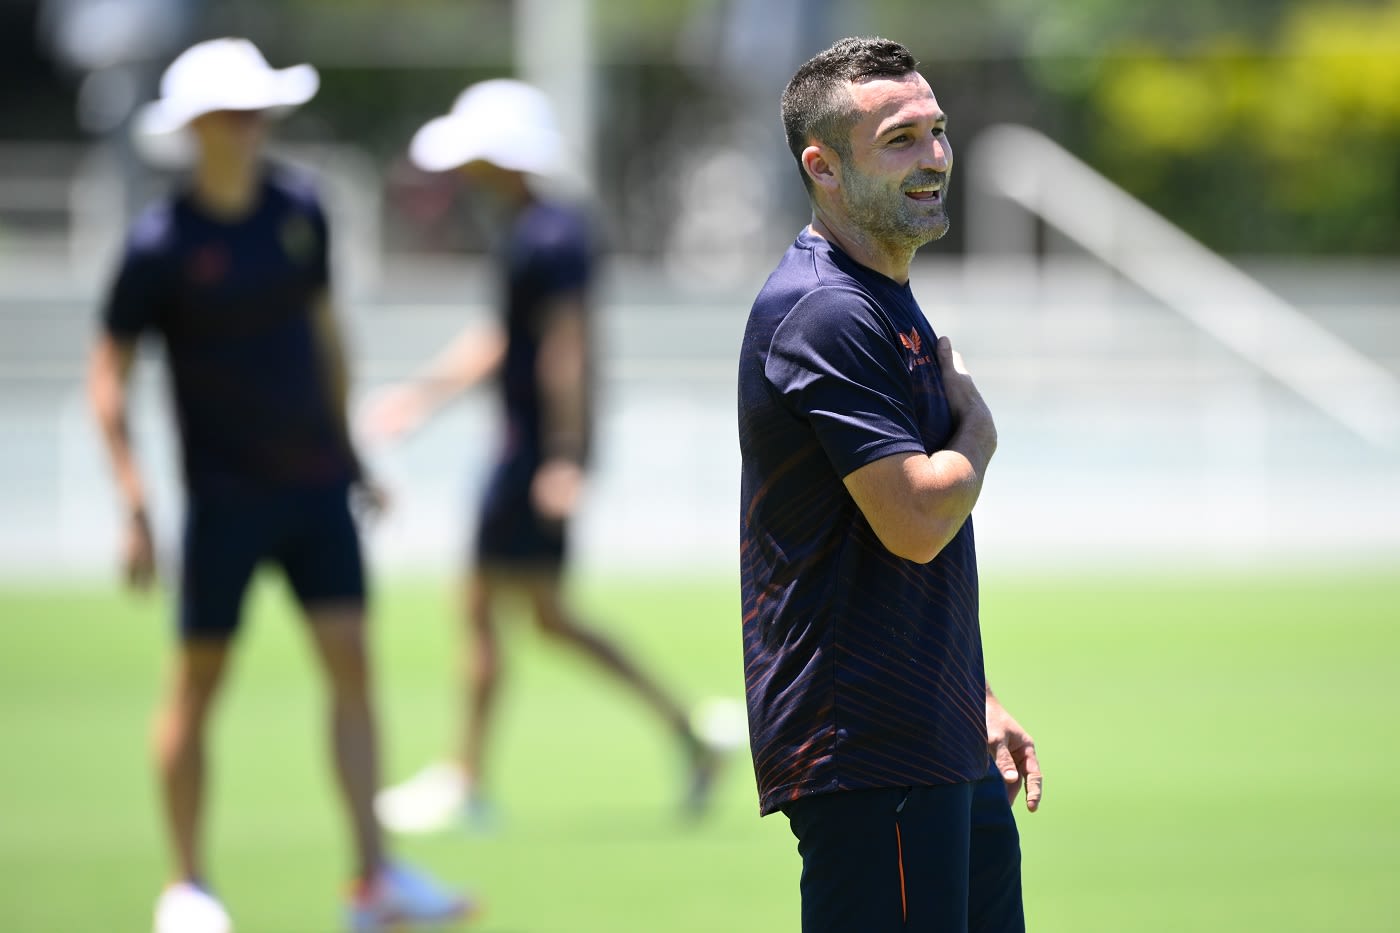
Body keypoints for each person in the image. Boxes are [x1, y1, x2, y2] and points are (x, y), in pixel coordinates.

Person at [87, 37, 472, 933]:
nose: (251, 126)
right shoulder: (160, 245)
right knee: (198, 682)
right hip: (223, 500)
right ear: (194, 130)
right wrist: (135, 502)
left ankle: (373, 880)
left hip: (313, 490)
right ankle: (187, 886)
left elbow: (327, 339)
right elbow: (107, 375)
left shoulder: (301, 211)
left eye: (258, 110)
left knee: (352, 669)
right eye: (232, 112)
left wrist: (354, 455)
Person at [737, 37, 1043, 932]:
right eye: (901, 138)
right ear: (822, 167)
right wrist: (980, 429)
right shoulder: (826, 311)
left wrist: (972, 694)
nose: (935, 156)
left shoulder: (880, 291)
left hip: (932, 728)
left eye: (938, 131)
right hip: (869, 745)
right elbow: (915, 517)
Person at [364, 79, 721, 833]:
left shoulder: (551, 237)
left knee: (485, 605)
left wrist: (564, 455)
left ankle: (466, 778)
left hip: (532, 452)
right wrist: (419, 400)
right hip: (527, 448)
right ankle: (687, 736)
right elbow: (507, 340)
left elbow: (565, 349)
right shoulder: (532, 230)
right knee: (546, 618)